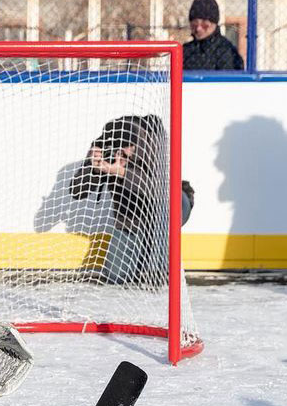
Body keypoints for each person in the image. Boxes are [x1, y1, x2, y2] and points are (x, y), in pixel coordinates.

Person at [70, 114, 194, 285]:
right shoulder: (105, 149)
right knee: (115, 277)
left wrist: (122, 172)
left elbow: (157, 191)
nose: (121, 153)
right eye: (117, 148)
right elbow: (77, 192)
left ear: (137, 143)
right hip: (130, 221)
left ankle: (160, 264)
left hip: (170, 208)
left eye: (127, 147)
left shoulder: (154, 149)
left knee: (155, 278)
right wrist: (92, 168)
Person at [183, 0, 243, 71]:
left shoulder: (226, 50)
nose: (198, 29)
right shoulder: (185, 50)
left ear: (214, 24)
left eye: (205, 25)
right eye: (194, 24)